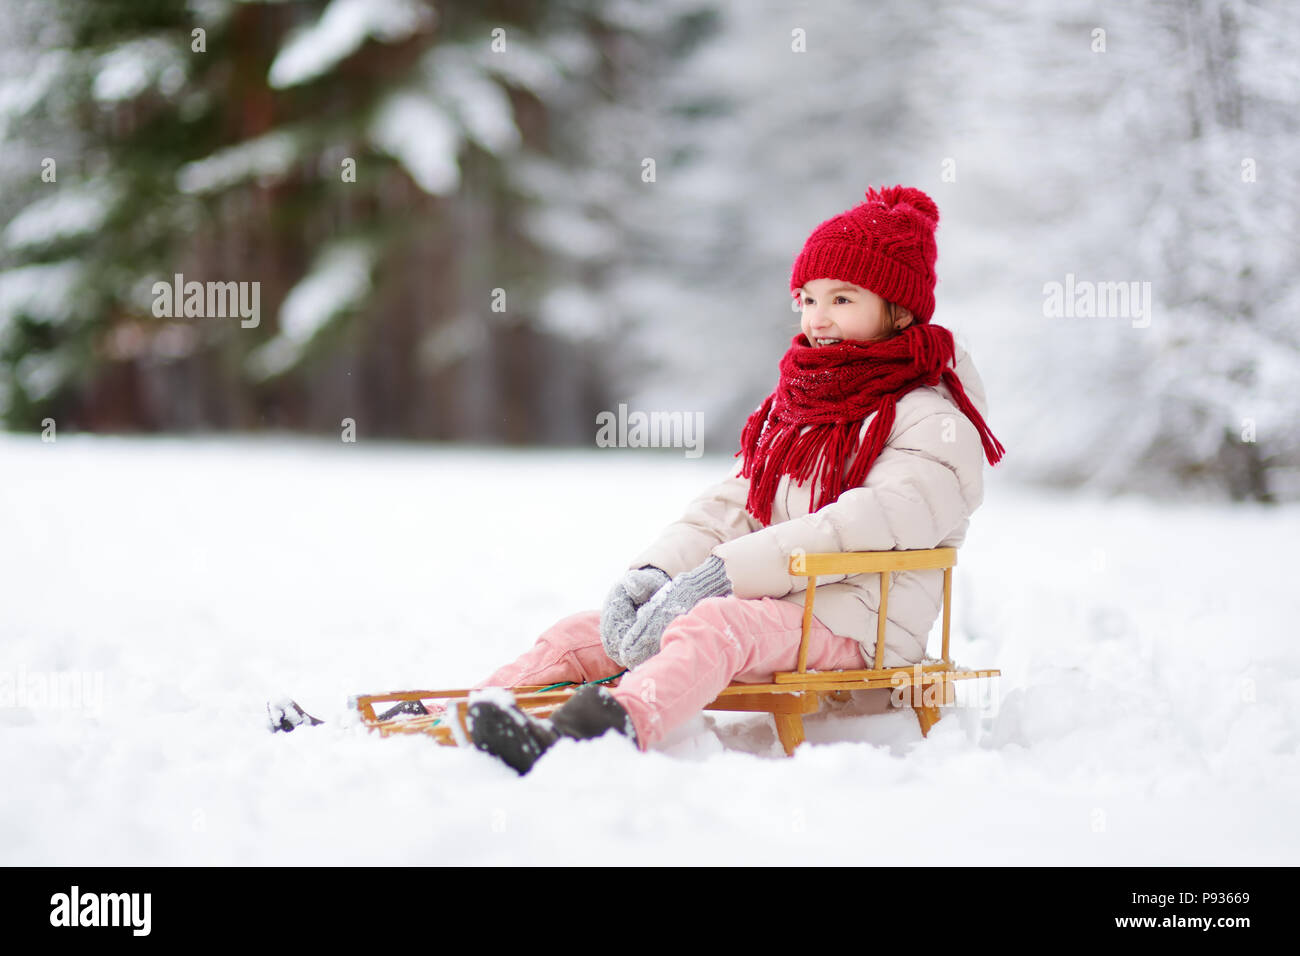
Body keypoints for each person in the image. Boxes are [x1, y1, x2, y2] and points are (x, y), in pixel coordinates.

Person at [464, 184, 1007, 774]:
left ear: (897, 310)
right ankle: (481, 709)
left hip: (858, 621)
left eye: (843, 299)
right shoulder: (800, 406)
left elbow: (860, 528)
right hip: (781, 599)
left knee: (716, 624)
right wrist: (657, 573)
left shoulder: (933, 422)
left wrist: (726, 575)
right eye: (807, 298)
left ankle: (612, 728)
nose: (817, 319)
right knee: (590, 633)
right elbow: (735, 504)